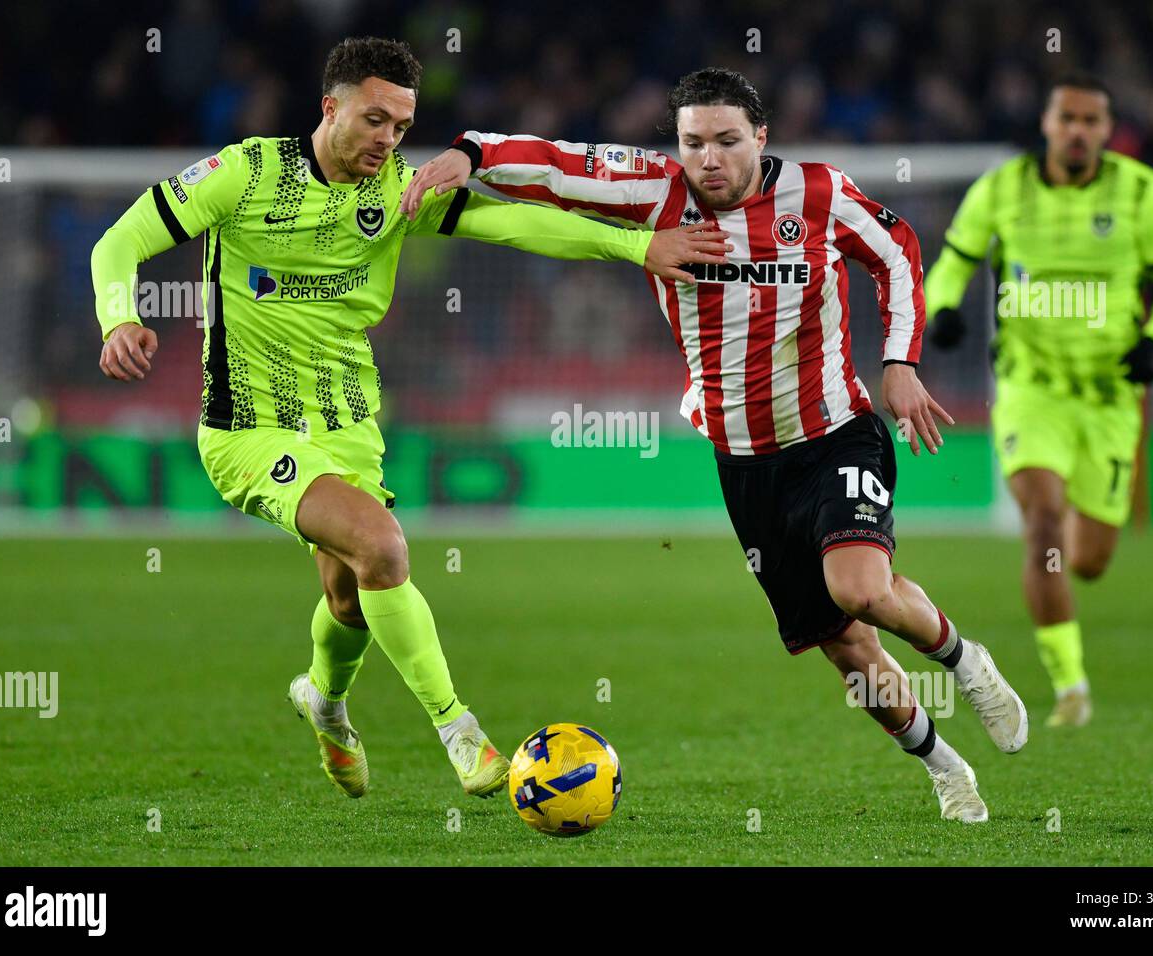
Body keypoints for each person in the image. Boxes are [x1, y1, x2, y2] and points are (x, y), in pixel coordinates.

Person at [90, 37, 727, 801]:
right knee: (385, 547)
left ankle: (324, 703)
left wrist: (637, 244)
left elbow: (522, 224)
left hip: (350, 425)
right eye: (374, 119)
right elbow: (121, 238)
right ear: (331, 108)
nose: (388, 139)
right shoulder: (245, 172)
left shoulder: (399, 191)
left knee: (350, 596)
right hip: (248, 430)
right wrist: (119, 318)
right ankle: (461, 734)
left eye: (401, 125)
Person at [402, 67, 1028, 822]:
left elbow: (894, 250)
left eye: (727, 141)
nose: (709, 159)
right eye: (693, 142)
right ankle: (945, 766)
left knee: (858, 588)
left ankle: (968, 664)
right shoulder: (656, 192)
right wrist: (473, 152)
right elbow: (562, 167)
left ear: (759, 138)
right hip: (744, 464)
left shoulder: (818, 193)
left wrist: (900, 359)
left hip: (834, 433)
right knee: (848, 650)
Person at [922, 71, 1153, 727]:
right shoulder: (1002, 188)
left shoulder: (1139, 191)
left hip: (1108, 397)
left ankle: (1066, 576)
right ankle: (1070, 688)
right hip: (1030, 387)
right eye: (1066, 118)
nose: (1077, 131)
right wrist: (943, 309)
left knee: (1091, 560)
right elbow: (953, 264)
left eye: (1090, 121)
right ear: (1047, 124)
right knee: (1042, 522)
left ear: (1106, 130)